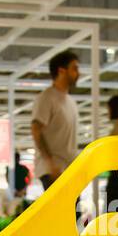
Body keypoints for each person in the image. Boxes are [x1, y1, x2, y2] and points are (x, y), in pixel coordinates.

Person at [30, 50, 80, 191]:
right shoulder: (47, 98)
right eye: (74, 68)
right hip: (53, 170)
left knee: (72, 212)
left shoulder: (71, 102)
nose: (78, 73)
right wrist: (50, 163)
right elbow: (36, 130)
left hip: (68, 169)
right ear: (61, 71)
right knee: (62, 212)